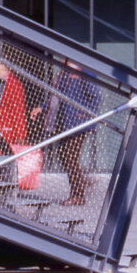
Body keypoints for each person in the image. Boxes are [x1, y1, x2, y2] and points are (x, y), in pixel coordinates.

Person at [53, 60, 96, 206]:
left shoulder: (84, 76)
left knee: (69, 157)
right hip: (65, 124)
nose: (63, 64)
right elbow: (56, 97)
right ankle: (81, 179)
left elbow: (96, 98)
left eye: (67, 61)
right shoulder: (64, 76)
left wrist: (85, 114)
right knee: (64, 157)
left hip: (79, 125)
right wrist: (41, 107)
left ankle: (78, 195)